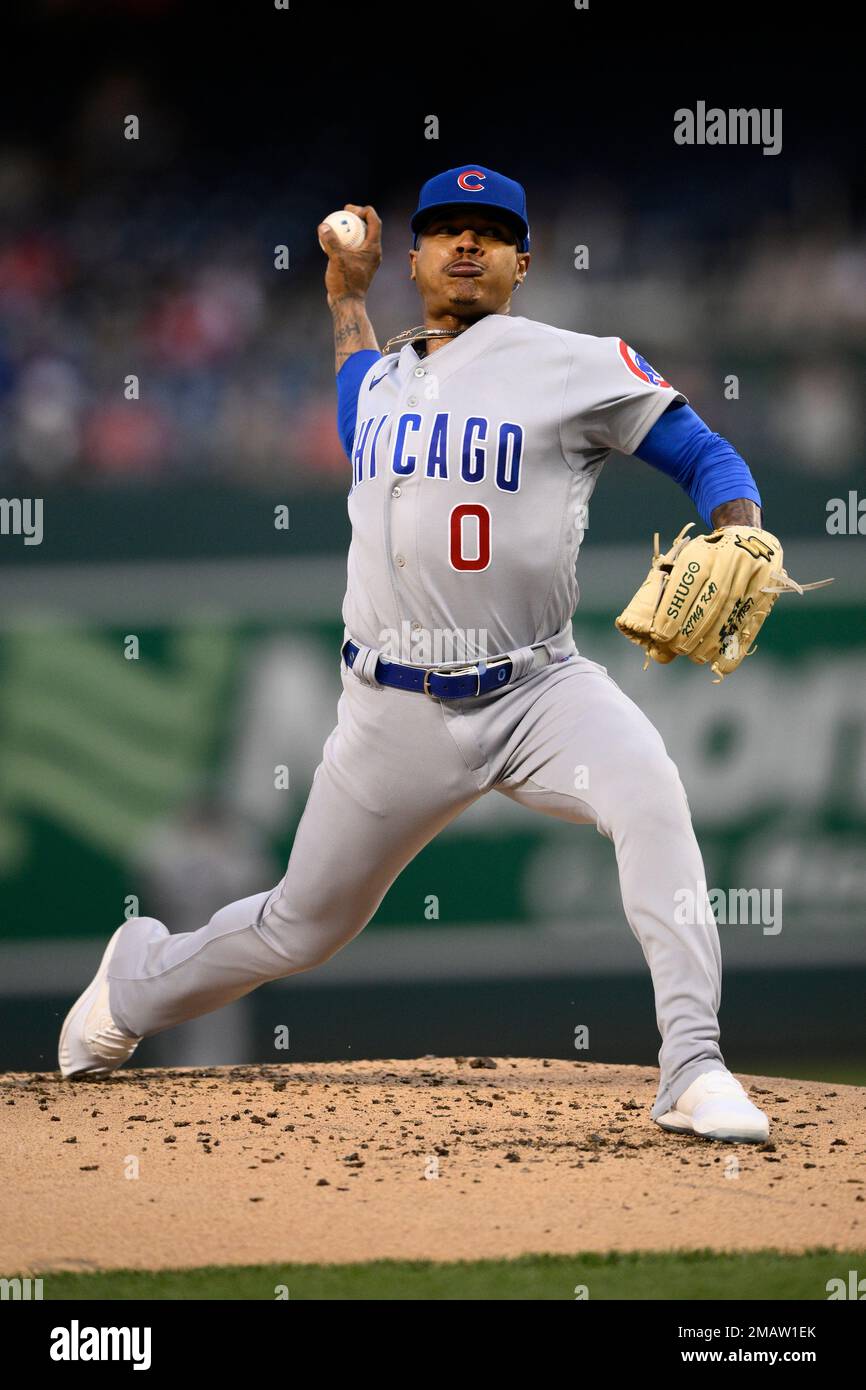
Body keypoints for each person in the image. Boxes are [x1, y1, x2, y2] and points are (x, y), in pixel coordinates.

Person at [59, 164, 771, 1143]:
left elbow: (706, 457)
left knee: (650, 791)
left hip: (537, 689)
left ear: (524, 260)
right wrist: (344, 295)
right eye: (445, 229)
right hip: (390, 710)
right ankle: (133, 979)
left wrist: (736, 528)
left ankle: (690, 1063)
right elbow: (353, 375)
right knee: (300, 927)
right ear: (418, 255)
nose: (466, 243)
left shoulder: (577, 362)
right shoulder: (385, 382)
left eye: (489, 231)